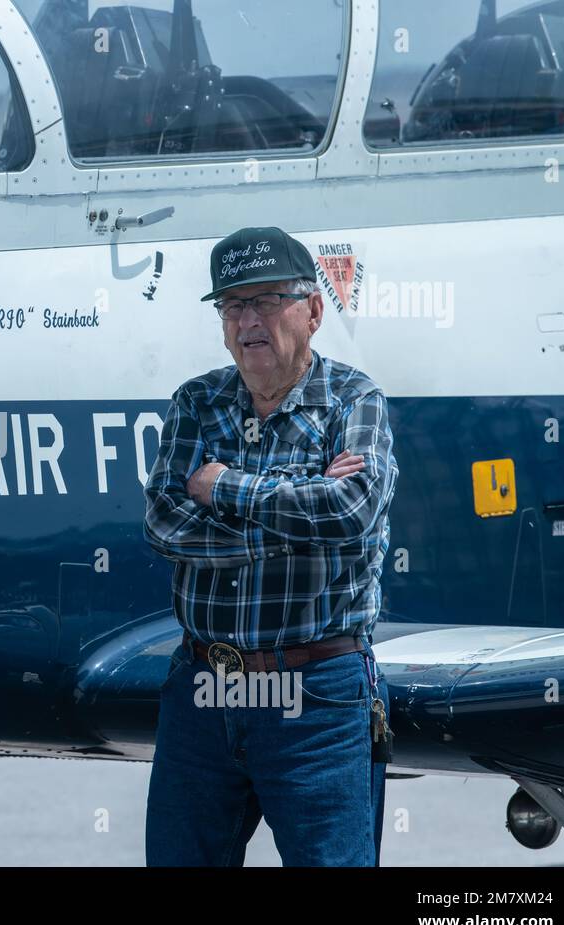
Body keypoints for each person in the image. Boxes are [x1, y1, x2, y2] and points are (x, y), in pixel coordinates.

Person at [142, 226, 398, 866]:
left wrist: (223, 486)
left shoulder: (354, 401)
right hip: (205, 690)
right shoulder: (196, 403)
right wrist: (297, 518)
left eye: (266, 300)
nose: (249, 320)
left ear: (312, 311)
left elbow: (351, 511)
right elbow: (164, 524)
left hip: (316, 696)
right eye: (233, 305)